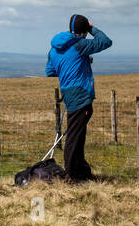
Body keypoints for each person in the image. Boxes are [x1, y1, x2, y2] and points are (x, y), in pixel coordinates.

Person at [45, 14, 112, 181]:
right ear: (83, 31)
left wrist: (73, 64)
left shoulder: (54, 49)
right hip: (81, 95)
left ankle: (82, 173)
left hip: (68, 93)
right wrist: (91, 28)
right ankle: (72, 175)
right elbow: (106, 41)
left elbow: (50, 71)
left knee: (78, 134)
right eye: (86, 31)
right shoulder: (80, 45)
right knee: (75, 137)